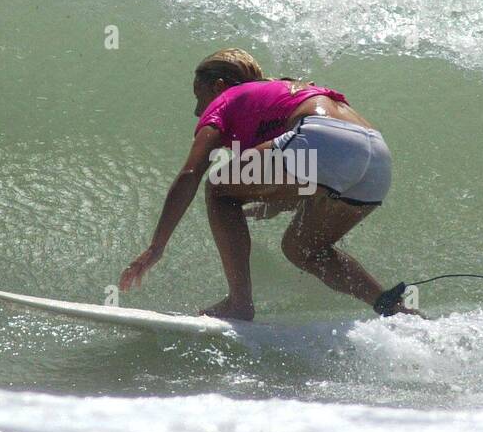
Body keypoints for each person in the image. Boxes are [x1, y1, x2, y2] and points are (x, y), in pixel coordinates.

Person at [119, 48, 416, 320]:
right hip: (377, 156)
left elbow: (190, 173)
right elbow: (325, 164)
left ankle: (239, 303)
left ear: (219, 86)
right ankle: (394, 309)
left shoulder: (226, 100)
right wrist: (276, 198)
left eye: (200, 97)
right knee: (303, 249)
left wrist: (156, 247)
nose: (199, 111)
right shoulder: (278, 94)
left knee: (219, 188)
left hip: (320, 136)